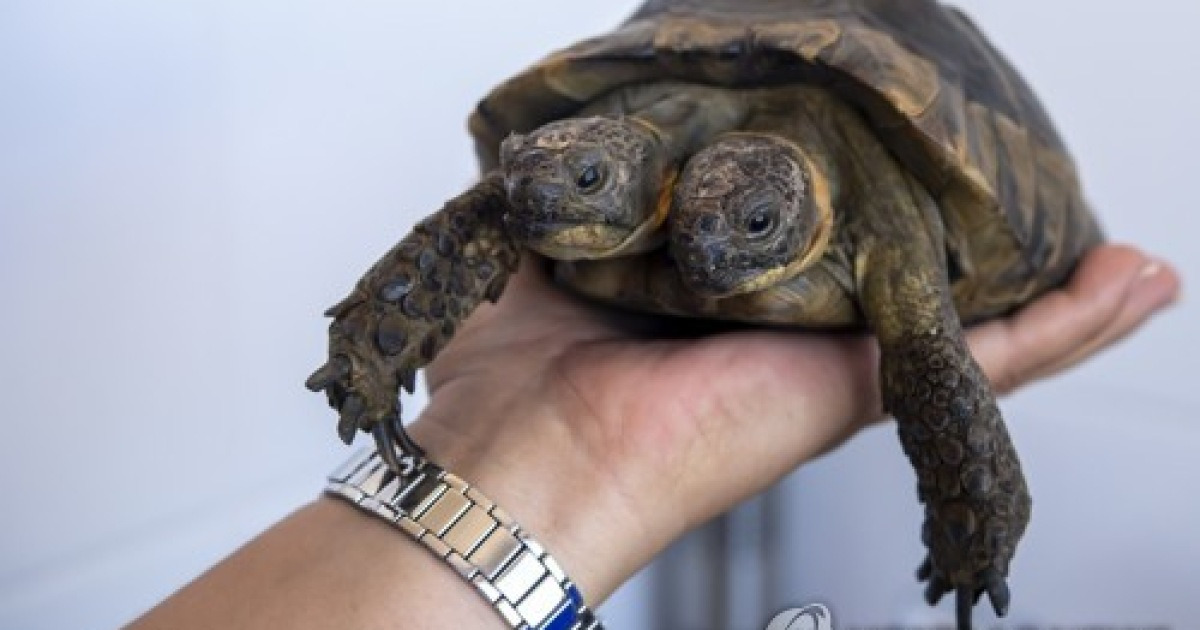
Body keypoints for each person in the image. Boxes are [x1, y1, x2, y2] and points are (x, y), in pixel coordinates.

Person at [127, 244, 1179, 630]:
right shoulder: (609, 160)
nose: (714, 243)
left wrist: (970, 522)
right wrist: (395, 365)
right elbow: (503, 201)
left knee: (933, 366)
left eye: (754, 229)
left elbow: (940, 385)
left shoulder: (884, 229)